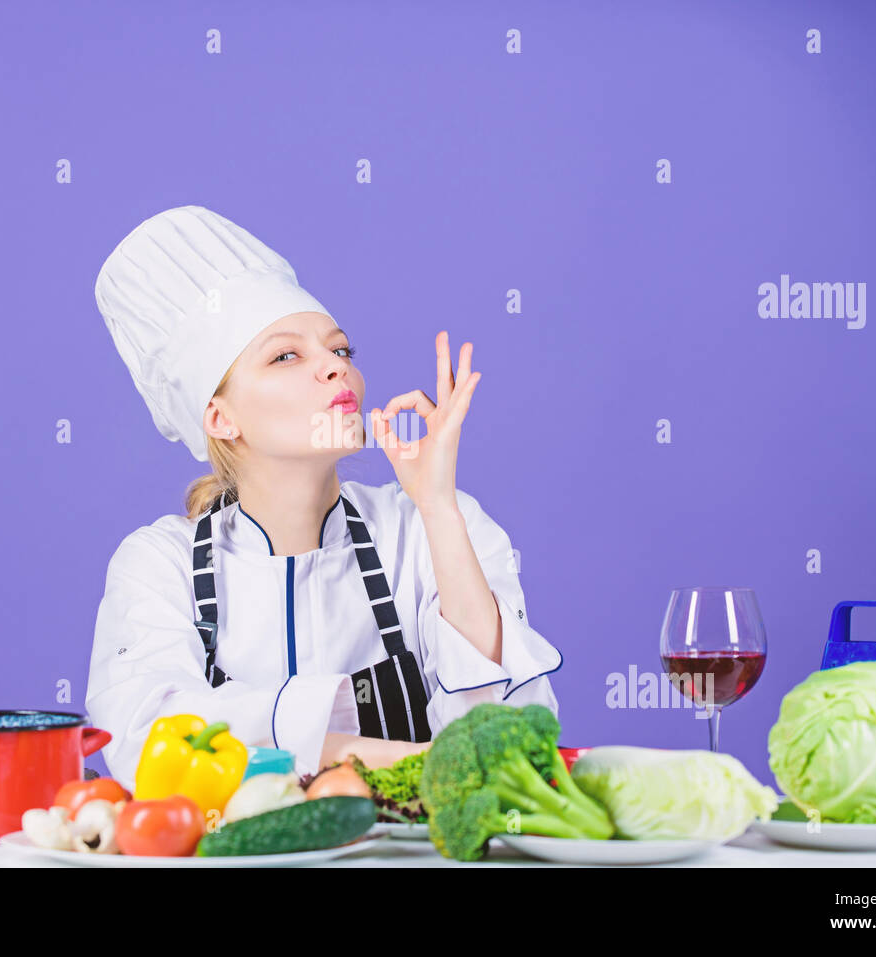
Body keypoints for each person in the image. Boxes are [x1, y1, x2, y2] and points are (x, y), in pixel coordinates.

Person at [87, 205, 562, 785]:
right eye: (286, 355)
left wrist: (438, 504)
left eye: (340, 350)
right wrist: (386, 758)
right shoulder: (161, 564)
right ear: (220, 417)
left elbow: (509, 730)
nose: (336, 369)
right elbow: (150, 743)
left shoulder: (424, 528)